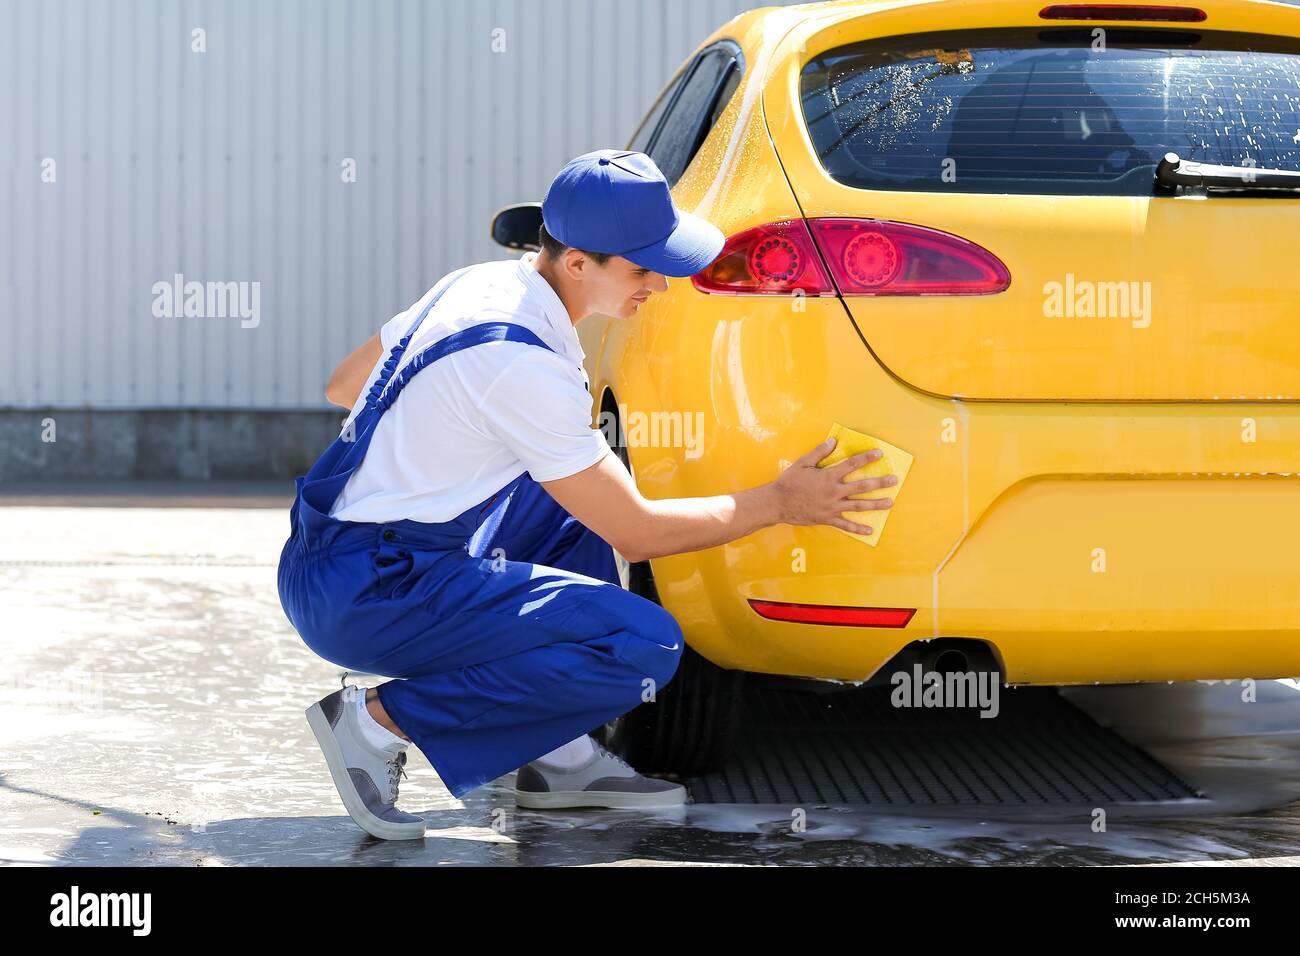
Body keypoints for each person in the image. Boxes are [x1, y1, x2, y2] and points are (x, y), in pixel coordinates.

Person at [276, 147, 896, 840]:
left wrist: (444, 443)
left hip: (330, 553)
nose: (657, 285)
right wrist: (782, 502)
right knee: (641, 646)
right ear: (576, 263)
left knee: (571, 507)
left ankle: (555, 758)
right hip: (373, 592)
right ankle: (377, 720)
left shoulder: (477, 285)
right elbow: (640, 534)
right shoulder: (521, 364)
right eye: (640, 268)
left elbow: (343, 385)